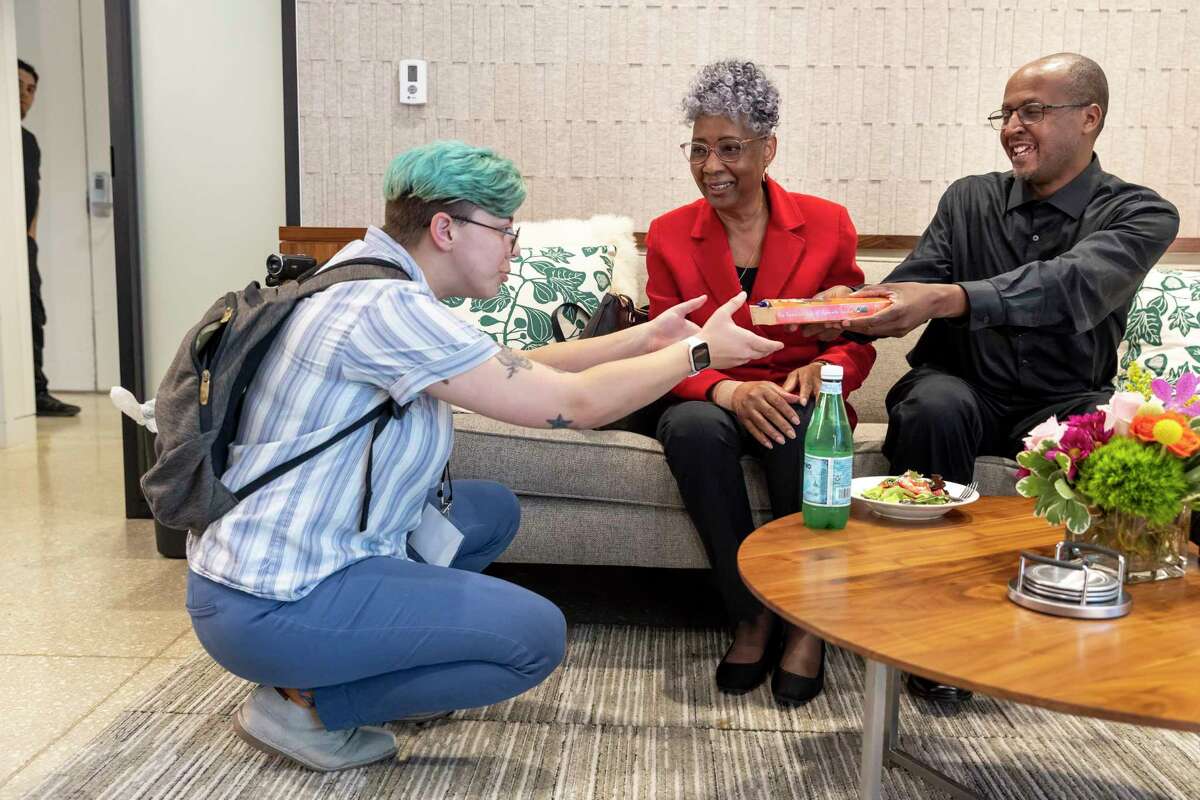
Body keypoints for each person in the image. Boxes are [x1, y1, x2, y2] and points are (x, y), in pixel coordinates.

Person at [185, 140, 782, 772]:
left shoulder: (368, 273)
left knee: (488, 511)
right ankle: (306, 706)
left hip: (264, 573)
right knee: (533, 639)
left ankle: (366, 659)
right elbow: (574, 405)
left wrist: (647, 338)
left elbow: (514, 367)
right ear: (445, 229)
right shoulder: (387, 311)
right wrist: (697, 353)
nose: (513, 249)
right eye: (503, 230)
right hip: (273, 601)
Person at [805, 53, 1180, 703]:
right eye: (1004, 114)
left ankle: (1104, 636)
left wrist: (952, 298)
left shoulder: (1141, 214)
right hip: (963, 384)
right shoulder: (969, 199)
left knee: (1114, 438)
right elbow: (913, 286)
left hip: (1064, 398)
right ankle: (923, 630)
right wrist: (847, 311)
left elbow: (1069, 285)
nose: (1011, 127)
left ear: (1089, 118)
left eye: (1031, 111)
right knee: (934, 405)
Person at [645, 60, 875, 705]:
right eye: (698, 149)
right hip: (711, 389)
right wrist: (726, 390)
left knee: (802, 426)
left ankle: (806, 621)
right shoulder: (669, 233)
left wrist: (826, 370)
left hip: (797, 394)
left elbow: (857, 333)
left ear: (767, 148)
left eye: (729, 148)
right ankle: (749, 616)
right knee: (690, 429)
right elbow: (664, 344)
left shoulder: (827, 223)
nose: (711, 165)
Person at [18, 60, 79, 417]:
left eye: (30, 90)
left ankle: (35, 393)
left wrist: (30, 238)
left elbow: (33, 194)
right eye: (17, 85)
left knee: (32, 314)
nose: (24, 95)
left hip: (22, 244)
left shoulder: (28, 142)